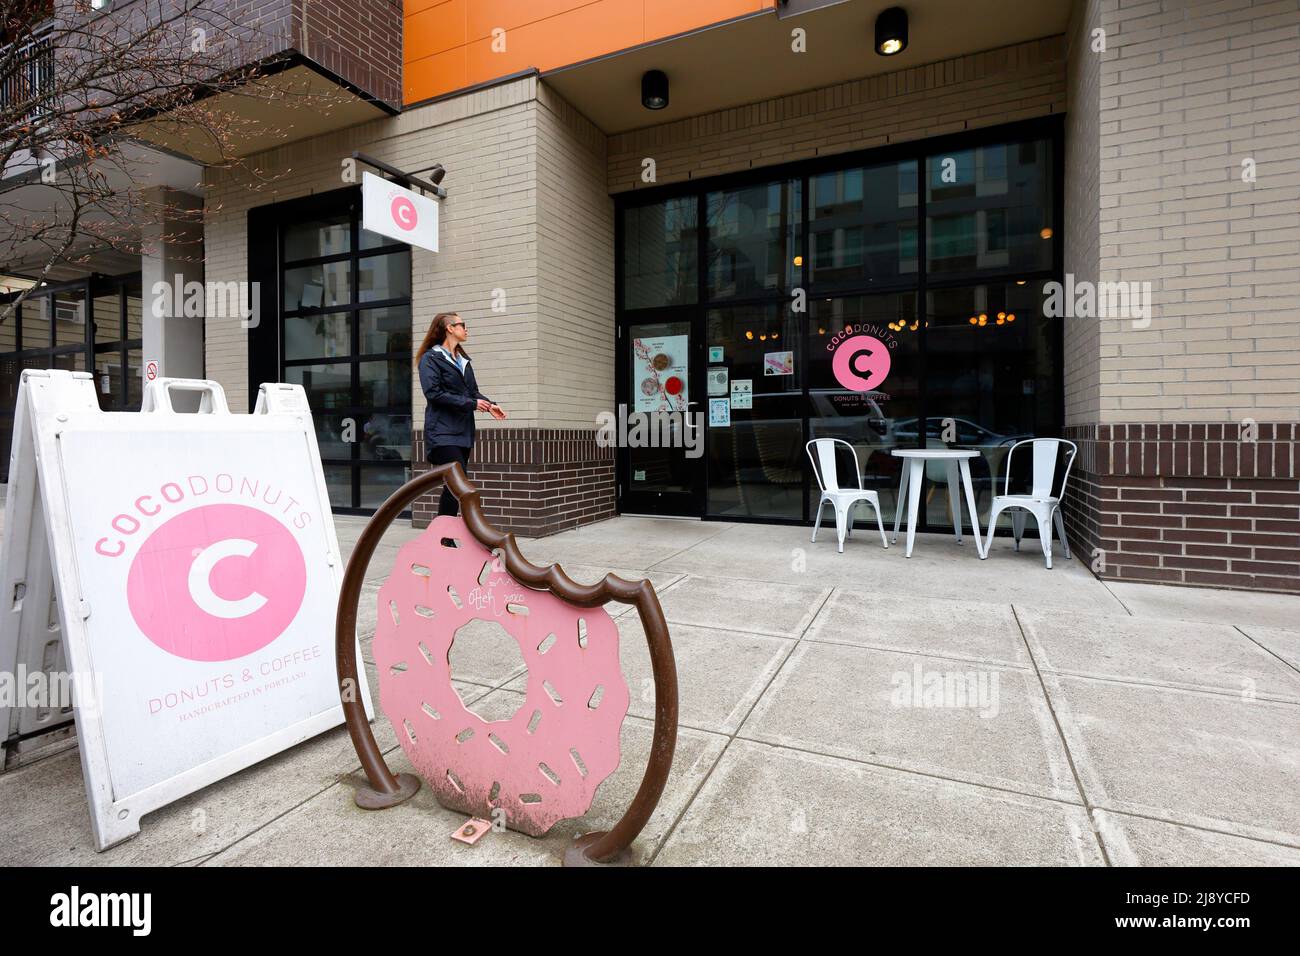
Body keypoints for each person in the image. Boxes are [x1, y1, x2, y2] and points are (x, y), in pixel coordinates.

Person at [416, 311, 505, 516]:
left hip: (463, 434)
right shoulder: (431, 359)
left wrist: (490, 405)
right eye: (463, 325)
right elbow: (433, 393)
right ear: (450, 328)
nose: (466, 329)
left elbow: (472, 393)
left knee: (453, 487)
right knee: (460, 485)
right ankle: (449, 535)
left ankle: (443, 537)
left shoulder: (462, 360)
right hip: (442, 434)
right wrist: (471, 403)